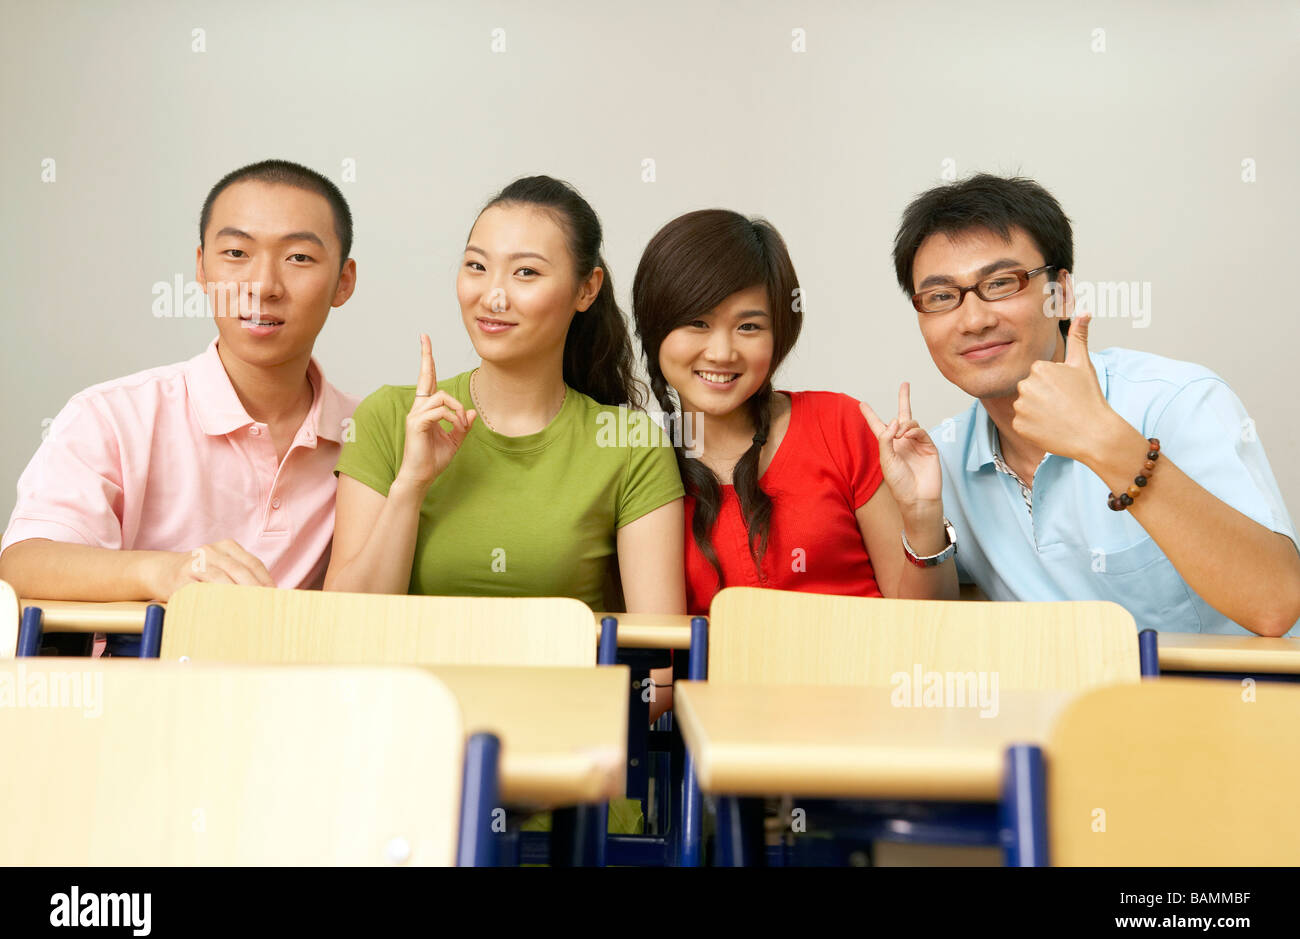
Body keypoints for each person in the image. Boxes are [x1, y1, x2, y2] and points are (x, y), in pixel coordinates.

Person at [893, 173, 1300, 636]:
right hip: (1073, 708)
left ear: (1061, 293)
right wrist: (923, 521)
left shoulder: (1175, 401)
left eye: (1002, 283)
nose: (974, 319)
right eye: (942, 296)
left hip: (1234, 701)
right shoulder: (943, 460)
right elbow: (924, 645)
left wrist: (1104, 441)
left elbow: (1277, 604)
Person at [0, 159, 359, 653]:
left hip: (295, 709)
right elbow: (23, 564)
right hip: (133, 711)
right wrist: (167, 570)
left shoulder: (368, 437)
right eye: (236, 252)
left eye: (298, 258)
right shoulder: (113, 416)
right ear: (201, 267)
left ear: (344, 281)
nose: (263, 285)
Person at [326, 174, 684, 618]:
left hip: (566, 690)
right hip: (420, 690)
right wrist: (410, 486)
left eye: (526, 272)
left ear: (586, 289)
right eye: (476, 266)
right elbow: (341, 629)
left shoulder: (631, 443)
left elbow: (659, 659)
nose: (492, 296)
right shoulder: (391, 416)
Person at [632, 209, 958, 616]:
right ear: (654, 326)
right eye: (697, 323)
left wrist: (923, 518)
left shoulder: (839, 424)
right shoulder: (639, 466)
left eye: (749, 327)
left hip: (860, 676)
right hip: (716, 682)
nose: (721, 353)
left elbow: (926, 621)